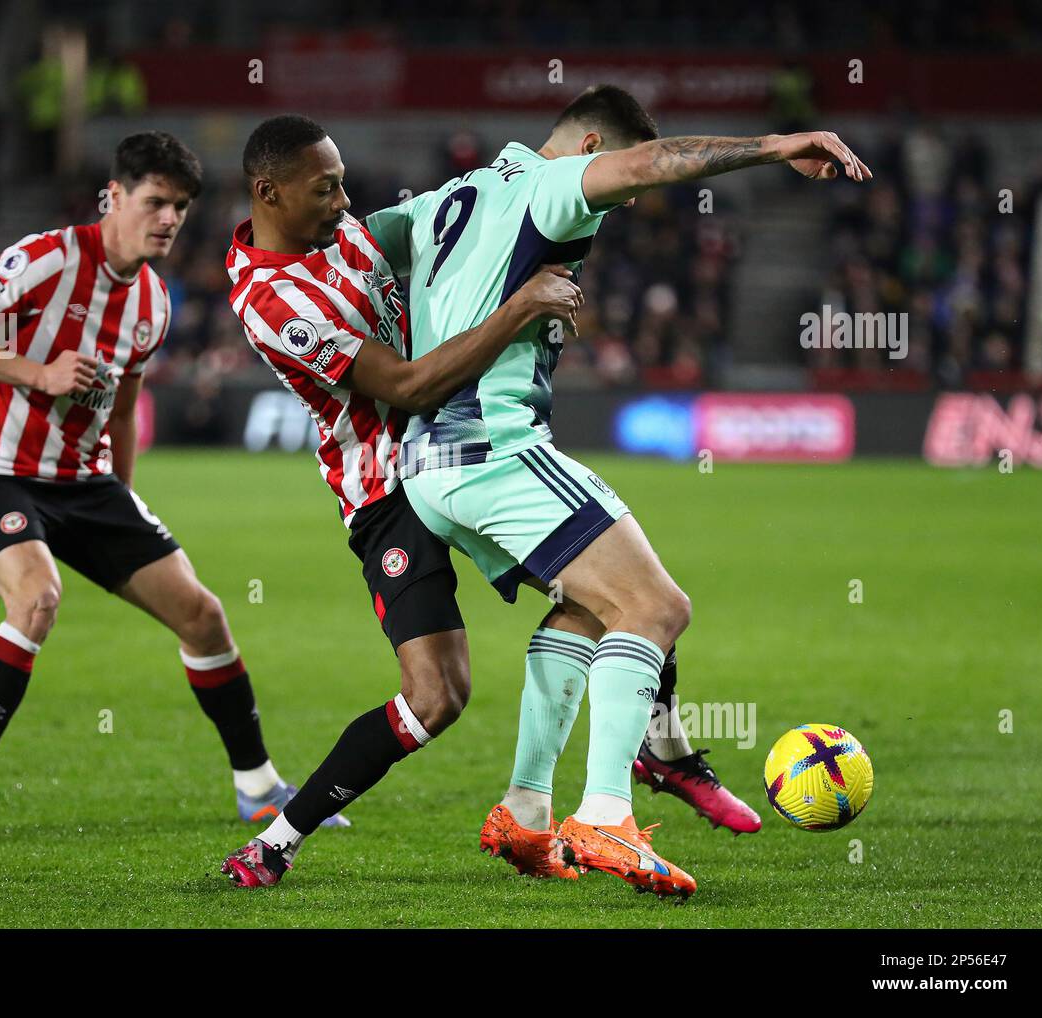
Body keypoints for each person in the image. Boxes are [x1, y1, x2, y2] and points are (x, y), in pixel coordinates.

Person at [366, 85, 871, 897]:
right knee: (658, 609)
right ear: (592, 144)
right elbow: (646, 163)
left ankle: (527, 811)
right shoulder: (551, 183)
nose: (624, 201)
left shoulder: (443, 199)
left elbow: (352, 244)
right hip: (493, 447)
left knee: (588, 607)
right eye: (619, 185)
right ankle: (605, 814)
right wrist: (778, 144)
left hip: (426, 465)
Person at [0, 131, 347, 839]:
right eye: (155, 202)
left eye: (180, 207)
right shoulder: (45, 258)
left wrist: (121, 513)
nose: (169, 219)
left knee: (204, 615)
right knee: (37, 600)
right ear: (113, 198)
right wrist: (38, 373)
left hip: (87, 486)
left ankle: (260, 788)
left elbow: (121, 408)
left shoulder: (153, 300)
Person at [219, 115, 583, 887]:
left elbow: (439, 235)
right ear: (268, 193)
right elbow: (409, 384)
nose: (344, 201)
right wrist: (521, 306)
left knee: (610, 576)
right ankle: (276, 842)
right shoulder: (272, 302)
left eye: (342, 181)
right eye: (326, 189)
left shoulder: (342, 227)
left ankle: (644, 762)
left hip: (462, 449)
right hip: (385, 490)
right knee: (437, 695)